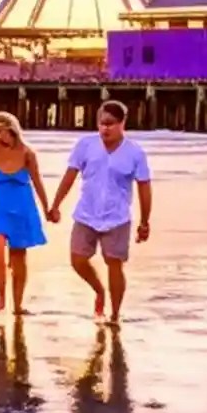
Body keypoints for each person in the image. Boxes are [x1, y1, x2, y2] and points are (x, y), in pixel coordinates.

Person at [48, 100, 153, 324]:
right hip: (86, 213)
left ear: (122, 123)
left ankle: (114, 314)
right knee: (77, 259)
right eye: (101, 124)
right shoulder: (86, 145)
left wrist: (145, 222)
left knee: (114, 263)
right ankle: (99, 291)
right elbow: (70, 175)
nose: (105, 128)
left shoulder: (135, 153)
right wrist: (55, 204)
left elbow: (144, 187)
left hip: (117, 217)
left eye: (110, 124)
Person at [0, 112, 50, 315]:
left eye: (1, 131)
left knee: (18, 257)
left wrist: (47, 208)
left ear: (12, 131)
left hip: (22, 207)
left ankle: (17, 304)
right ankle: (0, 297)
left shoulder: (27, 154)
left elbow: (37, 182)